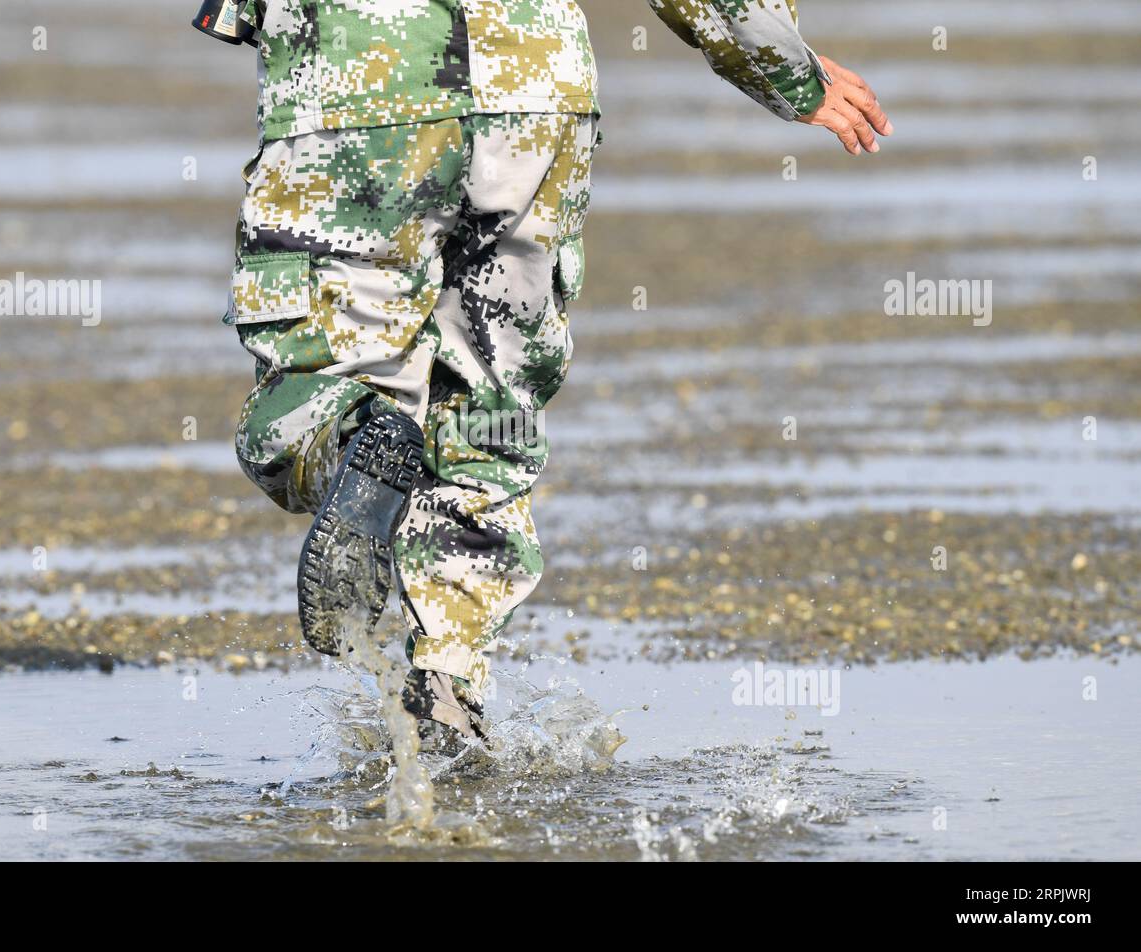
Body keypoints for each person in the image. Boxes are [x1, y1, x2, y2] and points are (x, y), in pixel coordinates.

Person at [223, 0, 891, 740]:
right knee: (491, 405)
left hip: (361, 75)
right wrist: (781, 65)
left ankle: (354, 441)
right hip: (537, 93)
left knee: (320, 380)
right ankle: (447, 682)